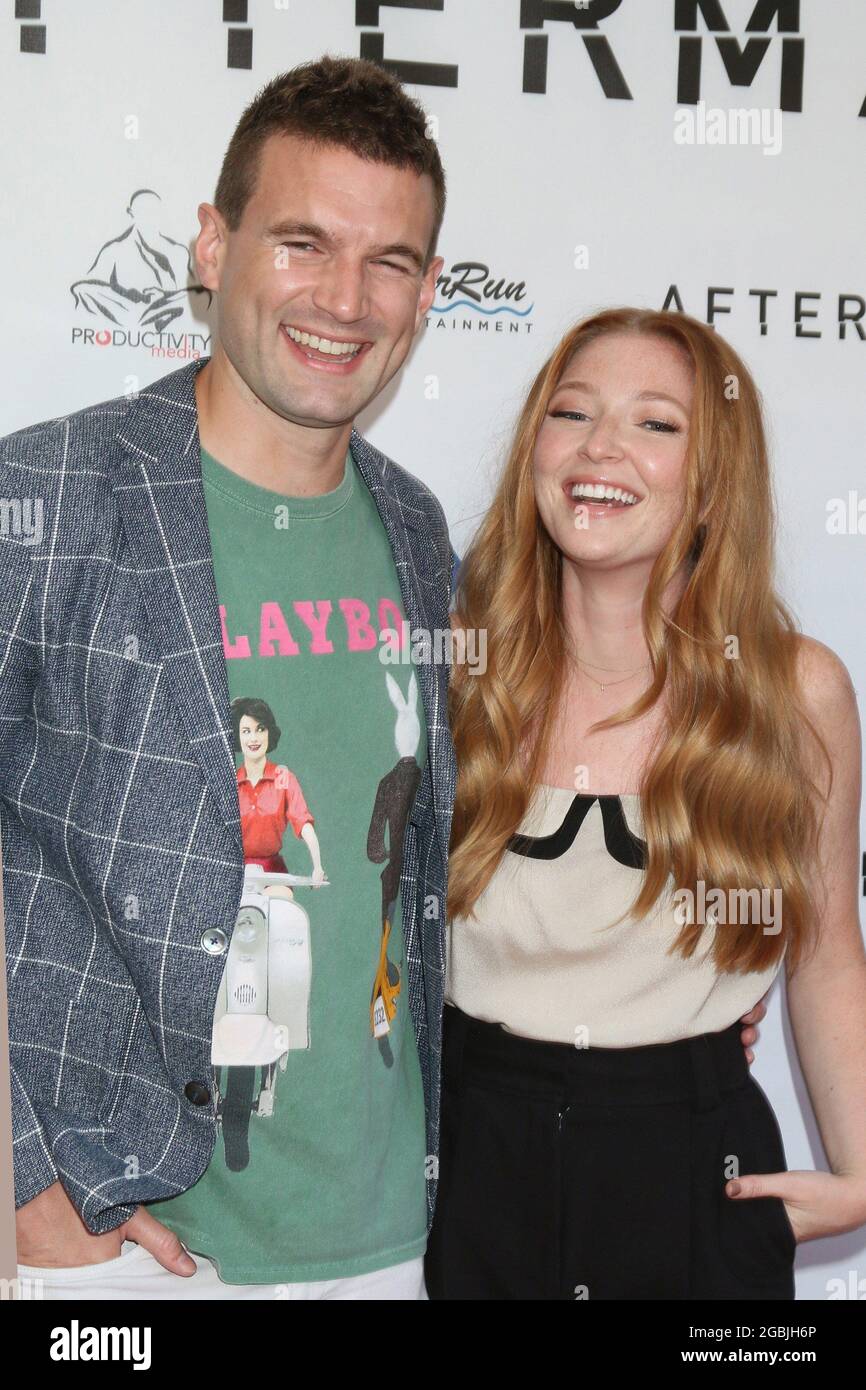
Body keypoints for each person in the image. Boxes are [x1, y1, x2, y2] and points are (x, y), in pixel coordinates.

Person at [7, 56, 455, 1301]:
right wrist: (21, 1170)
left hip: (384, 1245)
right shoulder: (47, 495)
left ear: (424, 292)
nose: (345, 301)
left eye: (391, 262)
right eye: (303, 242)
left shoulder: (419, 536)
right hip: (119, 1246)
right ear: (213, 245)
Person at [425, 307, 866, 1300]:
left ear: (713, 481)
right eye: (570, 413)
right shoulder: (456, 672)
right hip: (467, 1166)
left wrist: (861, 1170)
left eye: (655, 424)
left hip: (692, 1180)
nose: (599, 448)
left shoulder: (791, 692)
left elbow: (827, 943)